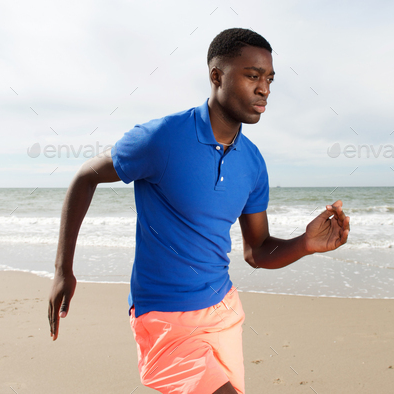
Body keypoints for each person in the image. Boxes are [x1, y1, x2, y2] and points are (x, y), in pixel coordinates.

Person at [48, 28, 350, 394]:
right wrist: (63, 269)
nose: (264, 89)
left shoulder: (253, 163)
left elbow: (258, 251)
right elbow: (85, 176)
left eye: (269, 79)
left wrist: (305, 243)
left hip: (223, 311)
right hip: (163, 317)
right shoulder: (160, 139)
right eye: (252, 76)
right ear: (216, 76)